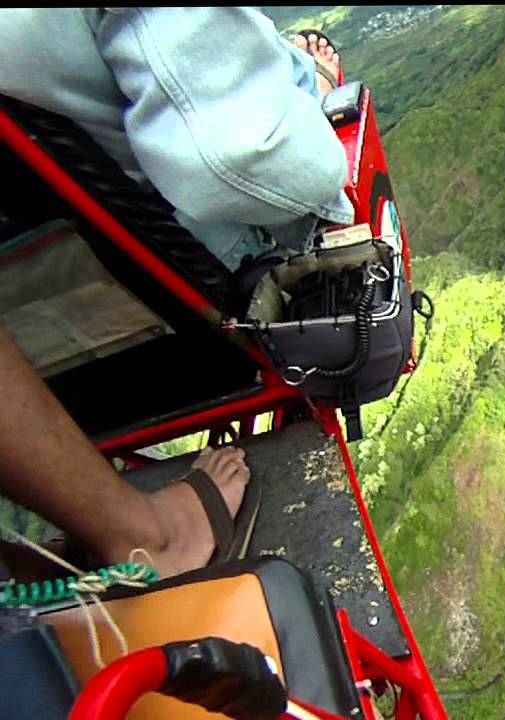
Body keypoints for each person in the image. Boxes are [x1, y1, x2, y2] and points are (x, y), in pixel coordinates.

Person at [0, 8, 351, 578]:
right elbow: (239, 157)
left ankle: (22, 571)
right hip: (187, 318)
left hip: (44, 362)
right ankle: (147, 538)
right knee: (302, 146)